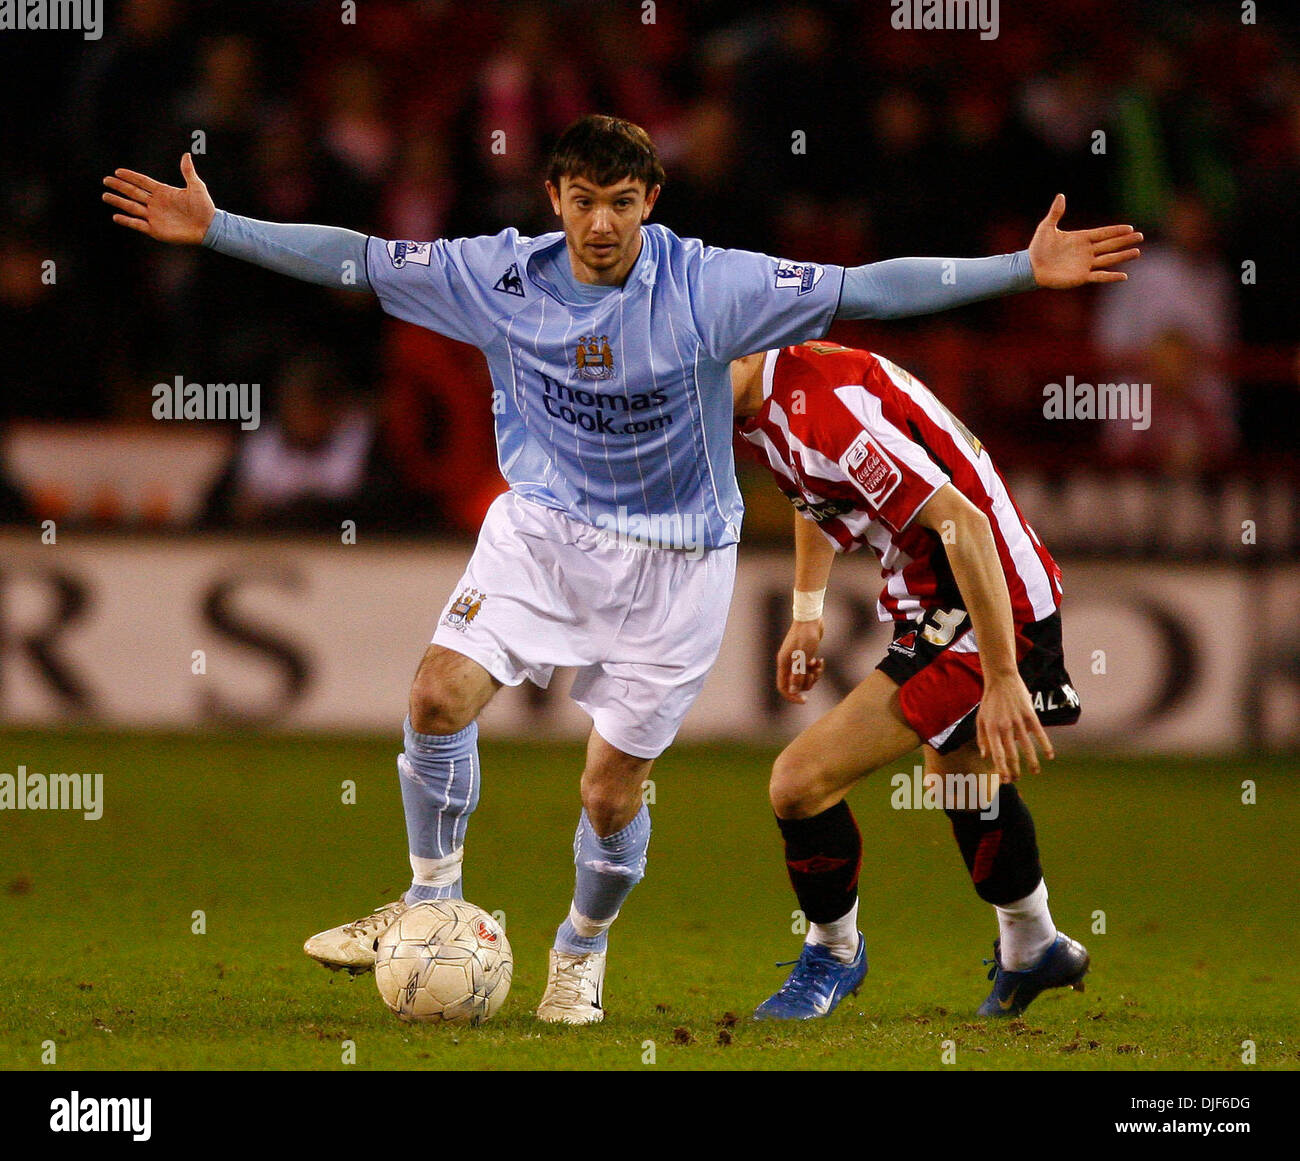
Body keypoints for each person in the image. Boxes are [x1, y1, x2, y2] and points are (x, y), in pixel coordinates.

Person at [103, 114, 1139, 1024]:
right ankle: (429, 902)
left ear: (652, 201)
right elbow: (360, 260)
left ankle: (581, 954)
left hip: (682, 565)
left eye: (623, 202)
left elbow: (876, 291)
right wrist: (220, 229)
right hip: (544, 532)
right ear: (553, 197)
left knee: (612, 793)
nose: (602, 223)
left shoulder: (716, 294)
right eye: (583, 200)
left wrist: (1018, 268)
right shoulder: (496, 277)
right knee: (434, 695)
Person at [733, 340, 1090, 1020]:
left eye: (699, 356)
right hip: (937, 595)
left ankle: (833, 954)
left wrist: (1005, 671)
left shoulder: (828, 409)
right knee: (958, 776)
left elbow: (964, 522)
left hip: (989, 599)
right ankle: (1033, 942)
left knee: (799, 783)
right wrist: (808, 612)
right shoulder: (769, 399)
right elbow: (817, 500)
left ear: (746, 344)